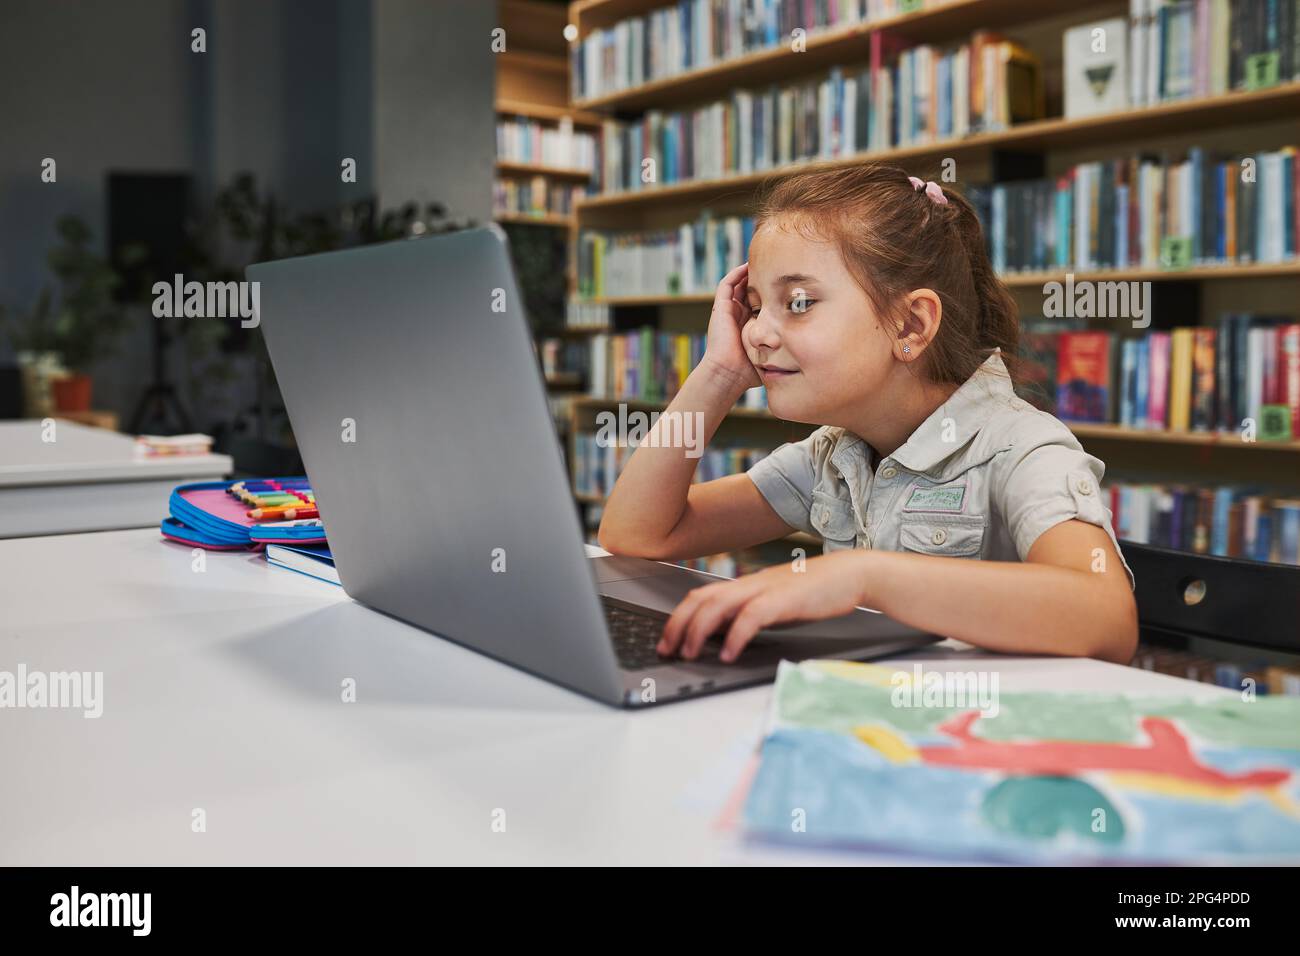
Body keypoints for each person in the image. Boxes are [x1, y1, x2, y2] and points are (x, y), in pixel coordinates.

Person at [597, 162, 1138, 665]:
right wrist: (717, 373)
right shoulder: (833, 454)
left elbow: (1107, 616)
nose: (756, 332)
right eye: (756, 306)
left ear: (910, 326)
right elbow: (639, 534)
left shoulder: (1020, 447)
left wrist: (864, 576)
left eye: (799, 303)